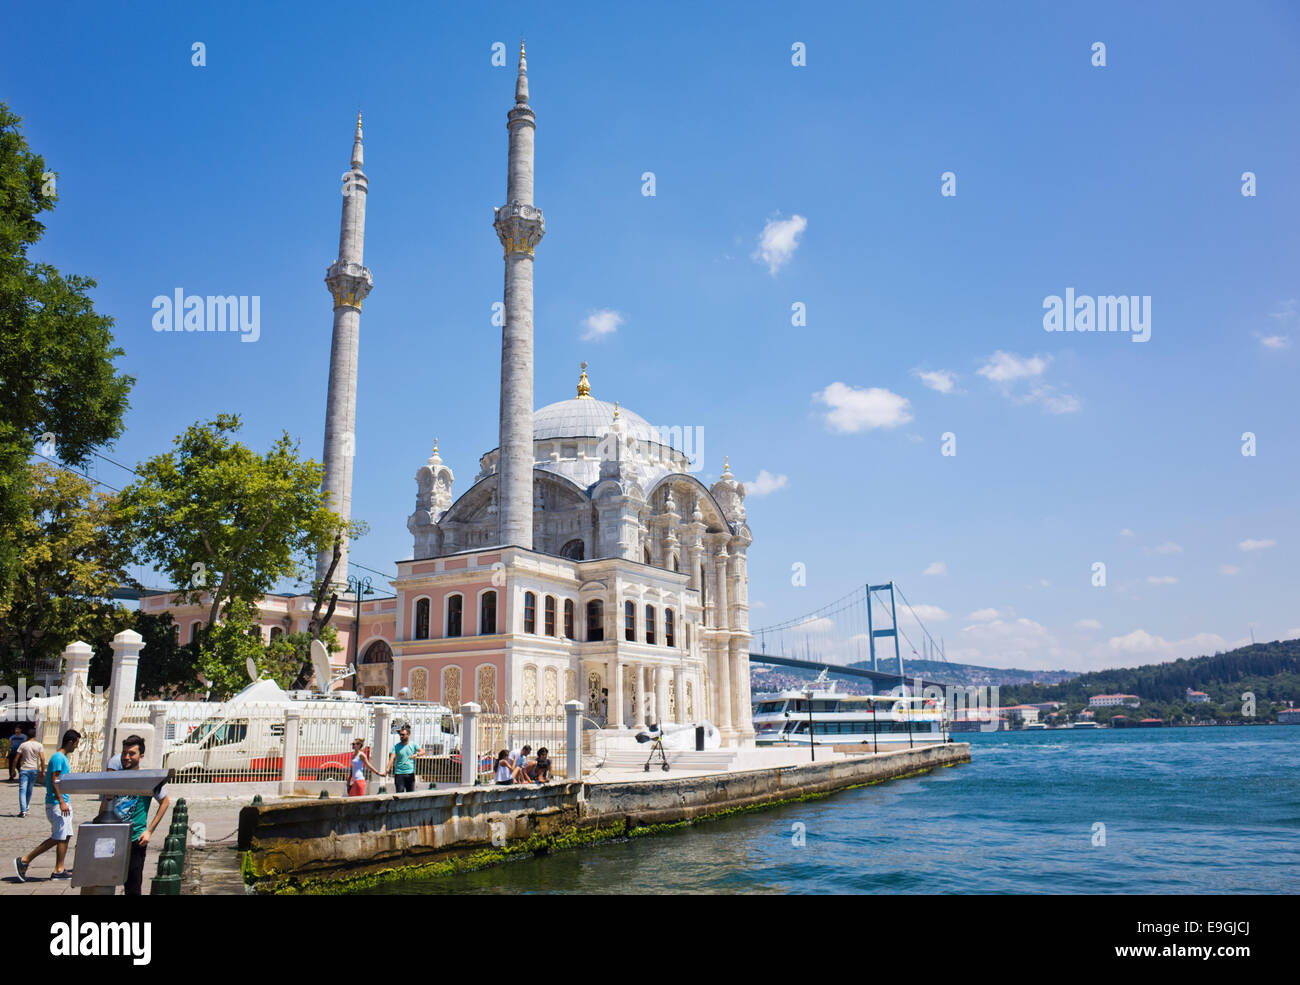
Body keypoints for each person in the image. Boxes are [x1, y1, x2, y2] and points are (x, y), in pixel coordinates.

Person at [105, 735, 171, 896]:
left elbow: (165, 802)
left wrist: (149, 831)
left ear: (141, 756)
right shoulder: (115, 777)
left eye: (131, 753)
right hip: (112, 838)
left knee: (133, 886)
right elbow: (106, 804)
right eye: (124, 753)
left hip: (135, 839)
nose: (126, 757)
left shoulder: (149, 779)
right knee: (104, 881)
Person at [14, 729, 79, 881]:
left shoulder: (62, 757)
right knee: (58, 836)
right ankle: (25, 860)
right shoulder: (58, 758)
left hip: (63, 801)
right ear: (70, 742)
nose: (76, 746)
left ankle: (59, 869)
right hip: (57, 803)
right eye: (76, 743)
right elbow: (54, 780)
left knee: (66, 835)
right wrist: (62, 801)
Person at [15, 732, 46, 817]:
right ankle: (26, 807)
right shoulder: (39, 745)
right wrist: (43, 770)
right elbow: (42, 759)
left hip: (24, 769)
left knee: (22, 790)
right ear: (35, 735)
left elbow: (16, 758)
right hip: (33, 769)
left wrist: (13, 769)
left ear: (27, 736)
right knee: (29, 790)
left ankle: (23, 810)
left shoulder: (23, 745)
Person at [385, 725, 418, 793]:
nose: (401, 736)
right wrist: (387, 770)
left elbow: (422, 751)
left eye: (403, 734)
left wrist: (416, 755)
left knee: (410, 795)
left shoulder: (413, 745)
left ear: (408, 735)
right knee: (399, 795)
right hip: (399, 774)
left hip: (410, 773)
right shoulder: (396, 746)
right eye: (400, 735)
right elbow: (391, 759)